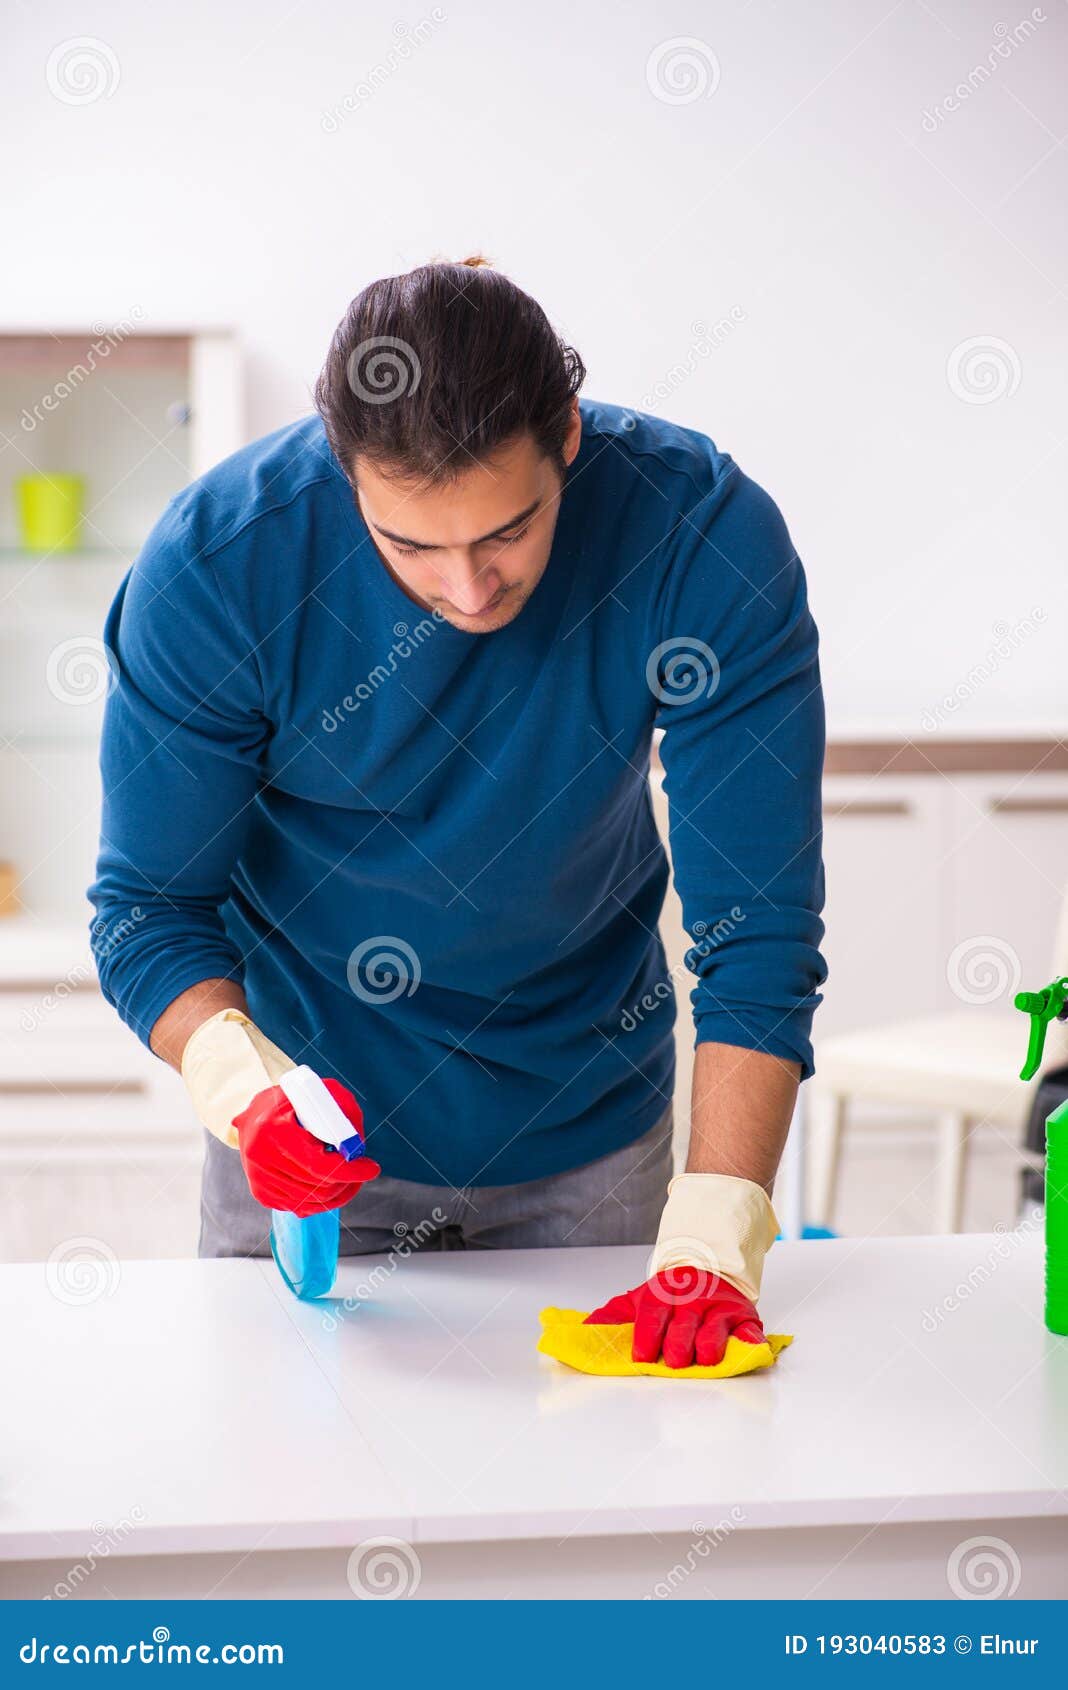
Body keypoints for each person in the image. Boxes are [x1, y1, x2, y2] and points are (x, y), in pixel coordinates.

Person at [90, 255, 826, 1367]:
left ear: (568, 436)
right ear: (345, 476)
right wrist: (253, 1093)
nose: (470, 590)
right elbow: (147, 909)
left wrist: (717, 1235)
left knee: (612, 1498)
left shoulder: (700, 537)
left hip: (592, 1141)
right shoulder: (220, 566)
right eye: (413, 547)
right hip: (309, 1154)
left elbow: (757, 933)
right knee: (280, 1495)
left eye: (508, 532)